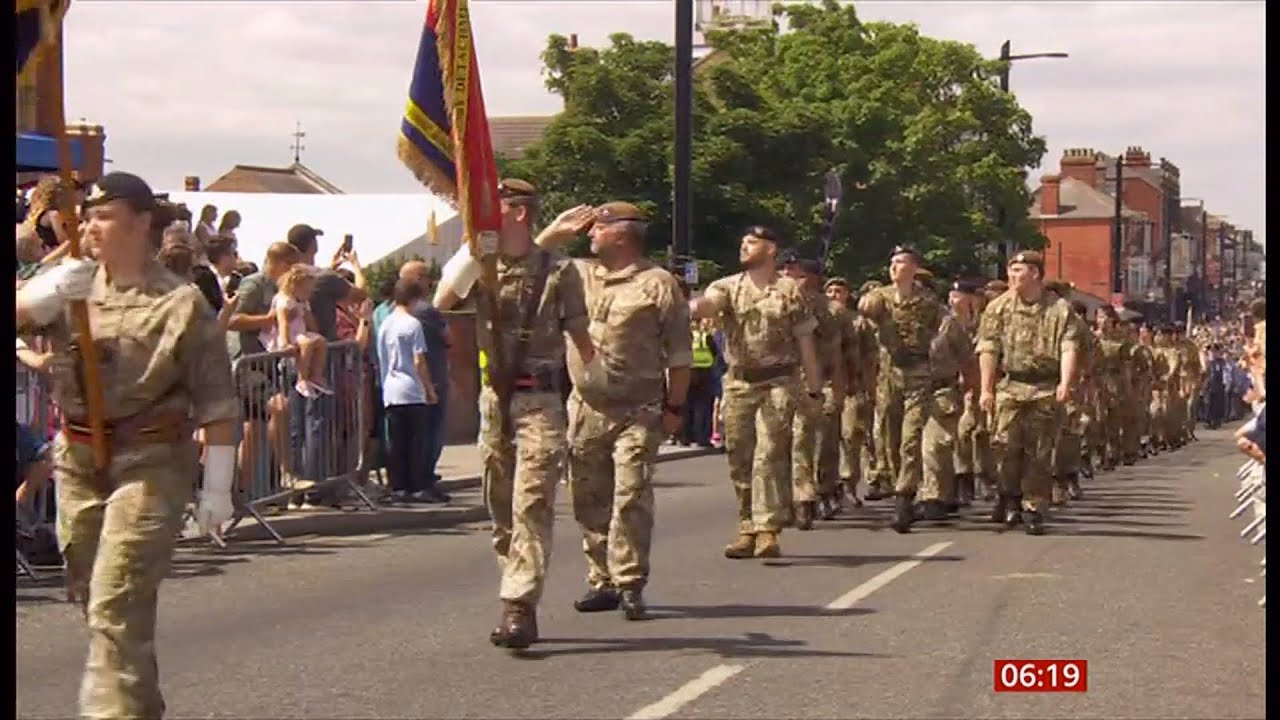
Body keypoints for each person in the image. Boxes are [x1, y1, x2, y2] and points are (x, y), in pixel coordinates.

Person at [15, 172, 238, 718]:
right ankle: (138, 706)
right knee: (99, 602)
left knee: (115, 599)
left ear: (141, 223)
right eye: (88, 215)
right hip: (79, 460)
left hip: (151, 461)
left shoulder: (181, 303)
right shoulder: (72, 284)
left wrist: (217, 488)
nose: (91, 226)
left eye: (105, 215)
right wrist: (42, 294)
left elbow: (217, 401)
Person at [433, 178, 594, 649]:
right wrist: (473, 246)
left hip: (541, 400)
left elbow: (581, 340)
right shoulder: (481, 268)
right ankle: (517, 587)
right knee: (501, 509)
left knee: (532, 503)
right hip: (495, 403)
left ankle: (519, 604)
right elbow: (443, 301)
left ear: (519, 212)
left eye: (493, 205)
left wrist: (592, 393)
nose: (482, 211)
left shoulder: (561, 271)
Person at [533, 200, 692, 621]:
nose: (590, 234)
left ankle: (630, 581)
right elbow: (528, 265)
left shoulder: (658, 284)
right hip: (586, 408)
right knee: (588, 498)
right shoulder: (577, 274)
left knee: (631, 494)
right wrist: (554, 232)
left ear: (621, 235)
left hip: (638, 409)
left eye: (598, 228)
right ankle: (602, 579)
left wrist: (675, 406)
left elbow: (679, 354)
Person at [689, 225, 822, 559]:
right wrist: (694, 306)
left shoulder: (790, 290)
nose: (744, 246)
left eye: (752, 242)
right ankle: (747, 526)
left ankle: (767, 529)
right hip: (739, 382)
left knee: (769, 452)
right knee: (740, 456)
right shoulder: (727, 287)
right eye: (743, 241)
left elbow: (805, 341)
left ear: (770, 249)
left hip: (779, 382)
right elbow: (709, 305)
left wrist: (814, 389)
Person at [976, 251, 1084, 536]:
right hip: (1010, 386)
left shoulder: (1059, 309)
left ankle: (1033, 507)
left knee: (1039, 451)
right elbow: (988, 349)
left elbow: (1069, 347)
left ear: (1035, 273)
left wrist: (1065, 383)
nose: (1011, 276)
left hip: (1044, 388)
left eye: (1018, 271)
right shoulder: (998, 307)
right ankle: (1009, 496)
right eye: (1010, 271)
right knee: (1004, 446)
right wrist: (986, 388)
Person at [857, 246, 950, 532]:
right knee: (889, 438)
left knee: (911, 438)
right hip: (889, 376)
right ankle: (901, 483)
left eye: (900, 262)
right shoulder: (881, 296)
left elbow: (941, 328)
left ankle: (904, 497)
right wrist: (866, 306)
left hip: (918, 374)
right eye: (892, 262)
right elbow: (866, 308)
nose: (894, 267)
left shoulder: (928, 301)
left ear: (913, 267)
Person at [376, 277, 440, 503]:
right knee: (417, 443)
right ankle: (416, 486)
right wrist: (429, 388)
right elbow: (418, 360)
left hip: (391, 390)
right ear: (414, 298)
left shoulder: (385, 324)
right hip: (412, 389)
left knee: (397, 442)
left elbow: (382, 357)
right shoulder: (413, 324)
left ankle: (398, 486)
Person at [399, 260, 452, 502]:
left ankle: (409, 482)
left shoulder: (389, 312)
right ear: (417, 279)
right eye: (426, 276)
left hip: (401, 383)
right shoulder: (426, 311)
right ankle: (425, 481)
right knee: (430, 433)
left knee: (410, 437)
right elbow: (448, 338)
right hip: (431, 377)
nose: (430, 282)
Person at [267, 265, 331, 397]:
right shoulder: (284, 300)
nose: (309, 294)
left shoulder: (302, 301)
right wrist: (285, 342)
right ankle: (302, 378)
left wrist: (307, 313)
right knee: (306, 342)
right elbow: (283, 322)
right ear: (294, 287)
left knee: (321, 341)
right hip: (287, 336)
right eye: (306, 291)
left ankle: (316, 375)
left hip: (299, 333)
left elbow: (311, 324)